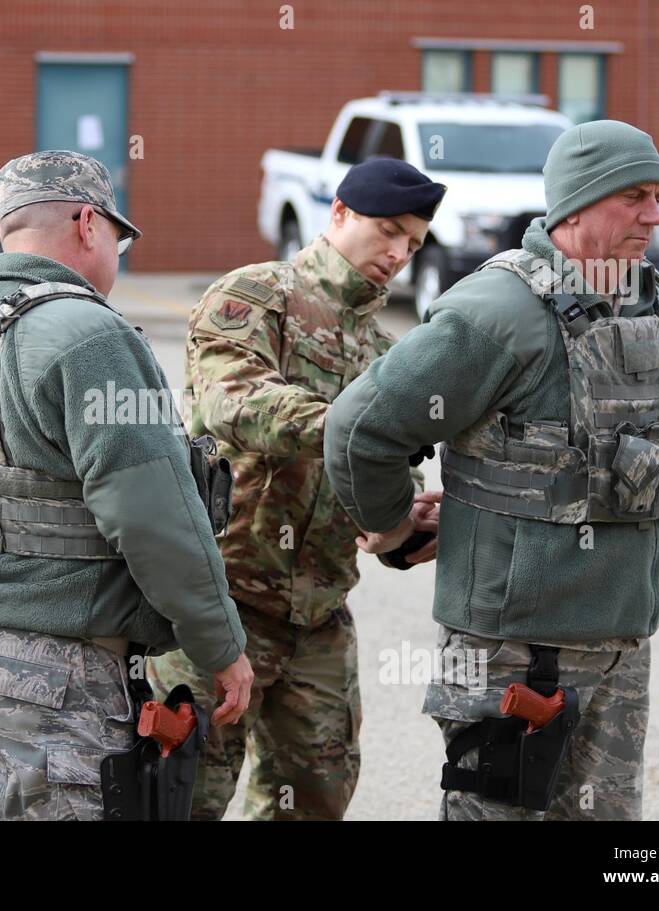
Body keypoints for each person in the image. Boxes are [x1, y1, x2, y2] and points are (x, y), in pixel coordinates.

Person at [325, 120, 659, 820]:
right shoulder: (499, 311)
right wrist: (392, 528)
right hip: (515, 658)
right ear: (579, 203)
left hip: (620, 654)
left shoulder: (644, 301)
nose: (654, 214)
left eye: (658, 196)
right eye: (636, 197)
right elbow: (361, 427)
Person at [0, 150, 253, 820]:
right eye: (119, 237)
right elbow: (156, 516)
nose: (119, 255)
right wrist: (222, 645)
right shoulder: (90, 336)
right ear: (86, 222)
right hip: (65, 671)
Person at [147, 157, 445, 820]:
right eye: (387, 230)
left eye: (414, 244)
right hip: (220, 603)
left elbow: (390, 479)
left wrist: (402, 525)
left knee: (314, 799)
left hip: (318, 617)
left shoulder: (388, 352)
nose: (397, 253)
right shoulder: (255, 295)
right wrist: (356, 432)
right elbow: (234, 403)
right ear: (338, 212)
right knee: (180, 795)